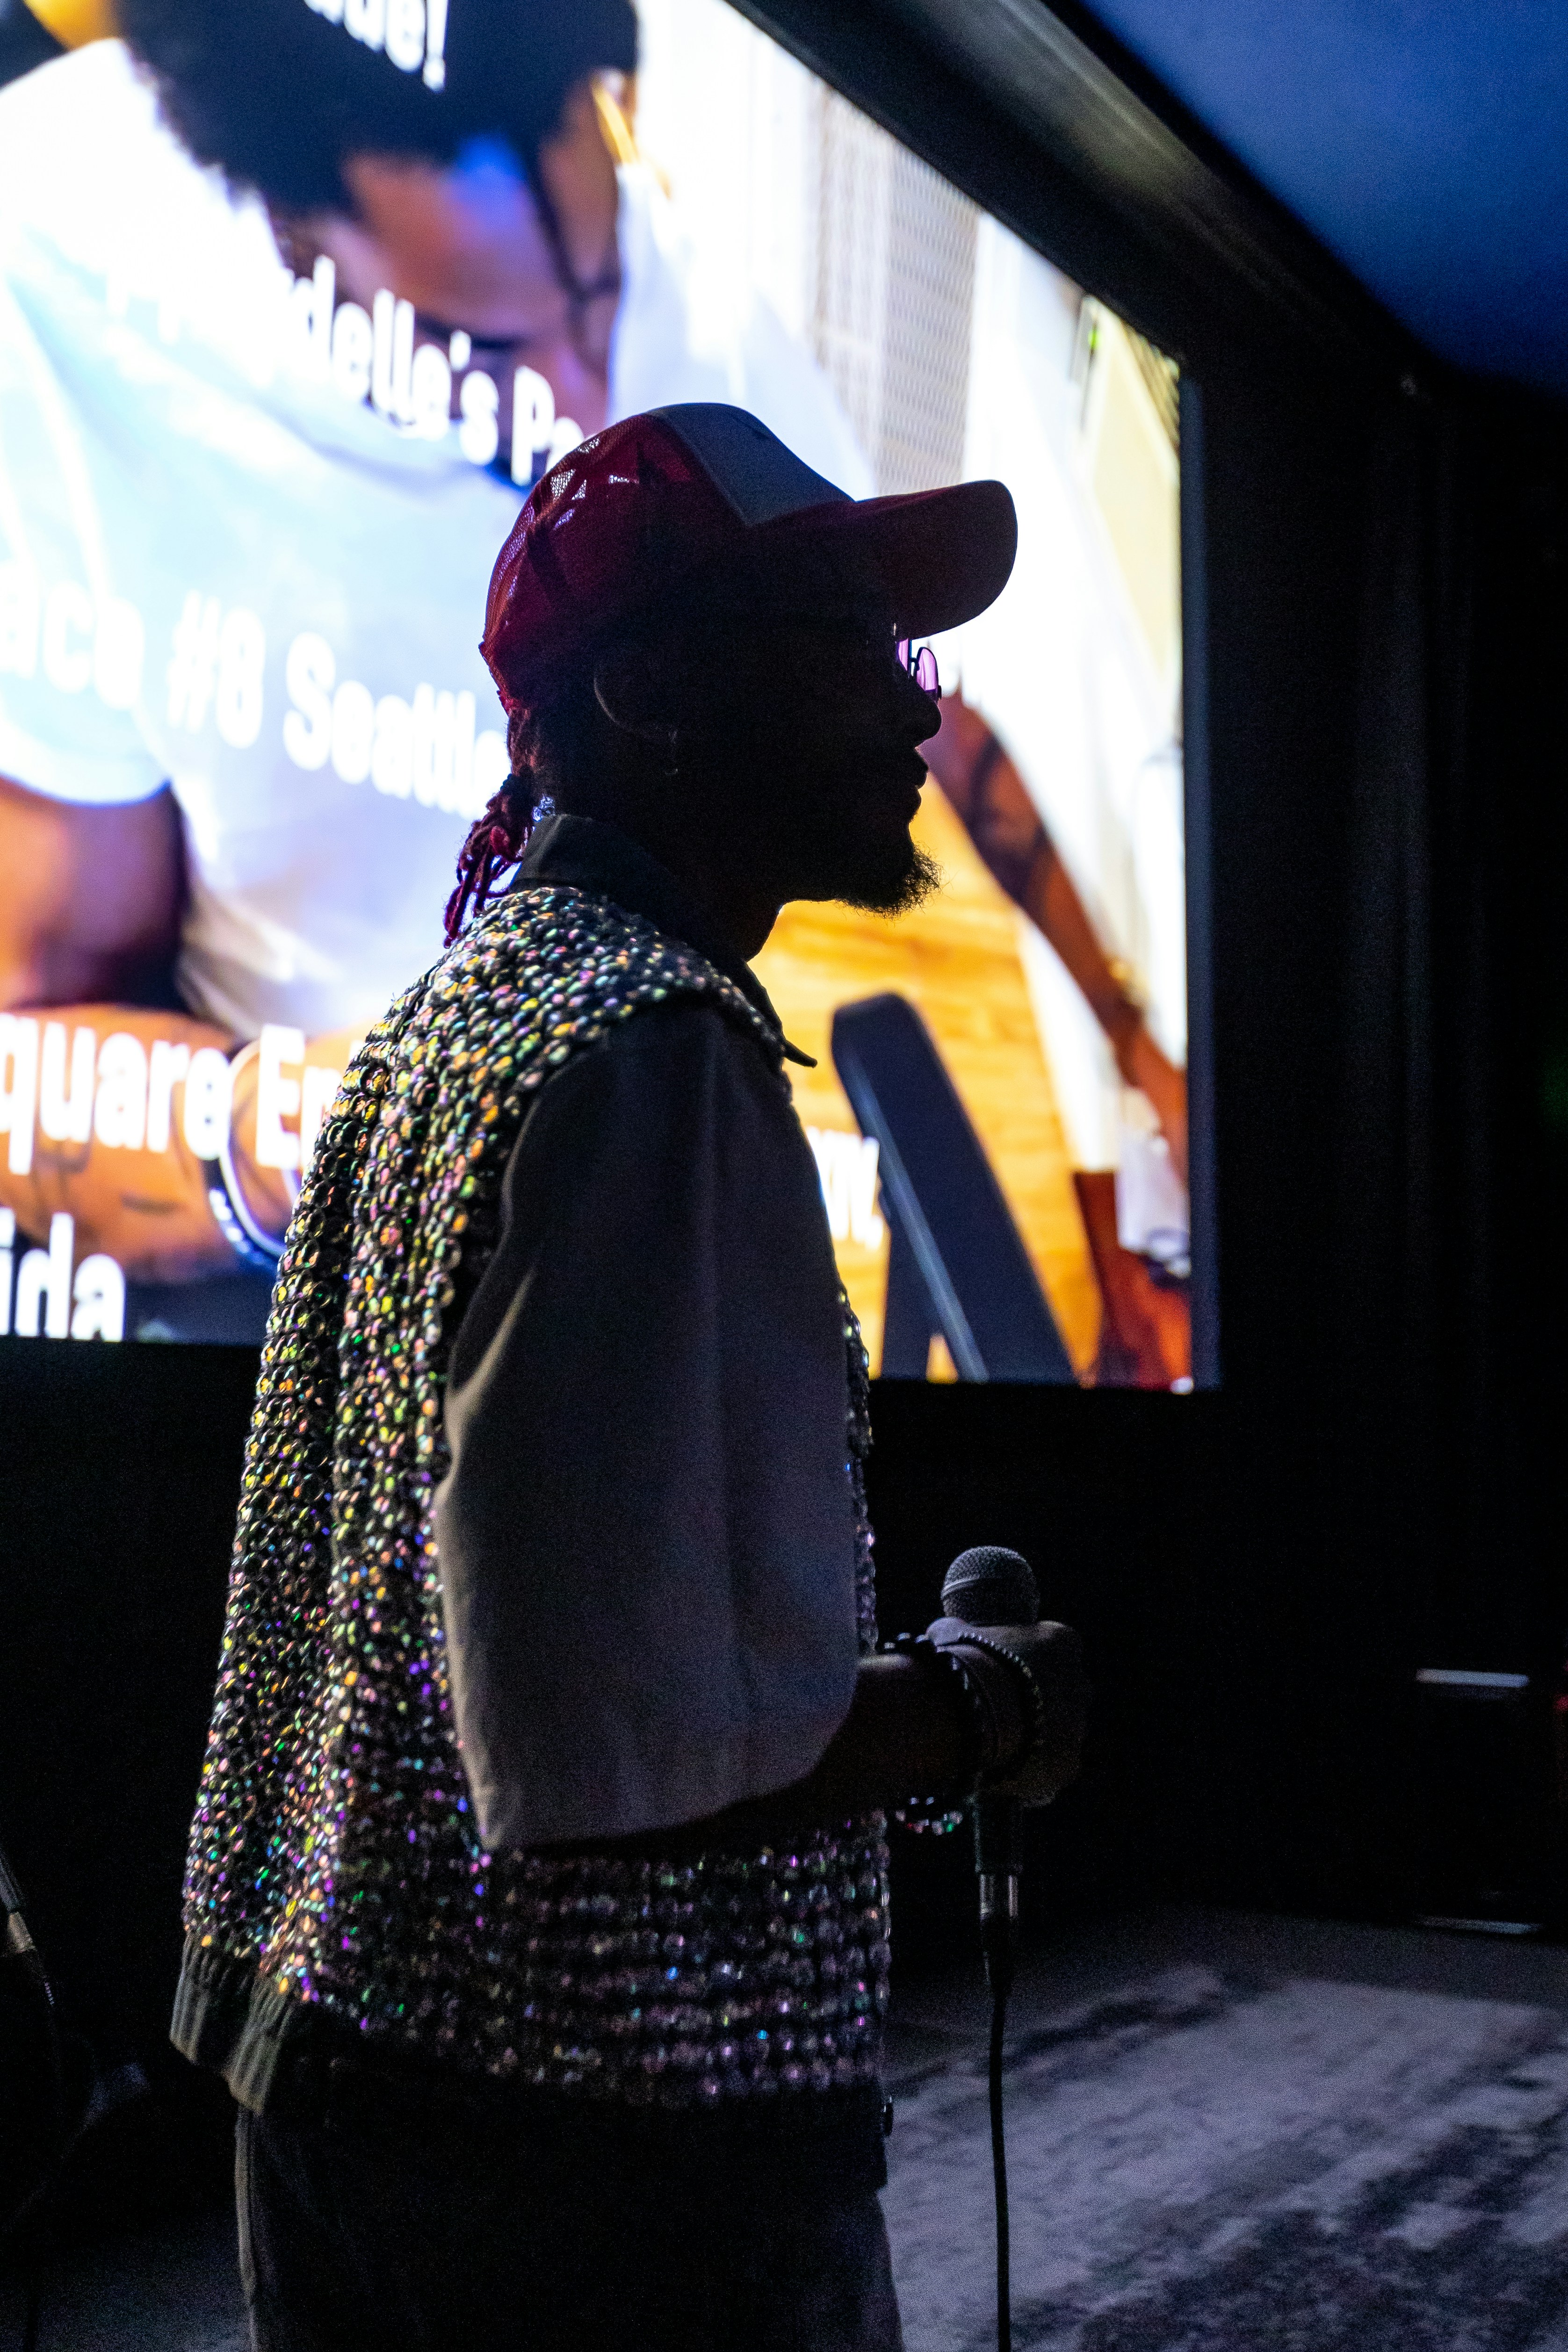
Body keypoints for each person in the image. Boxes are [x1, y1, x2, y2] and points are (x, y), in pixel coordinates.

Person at [171, 403, 1090, 2350]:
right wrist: (975, 1716)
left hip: (350, 2101)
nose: (911, 715)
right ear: (662, 687)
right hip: (598, 2184)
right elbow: (620, 1760)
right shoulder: (650, 1055)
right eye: (845, 640)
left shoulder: (449, 1021)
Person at [0, 0, 867, 1339]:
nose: (588, 411)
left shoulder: (700, 305)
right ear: (289, 230)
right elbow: (33, 1049)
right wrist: (380, 1117)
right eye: (482, 352)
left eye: (597, 287)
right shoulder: (60, 264)